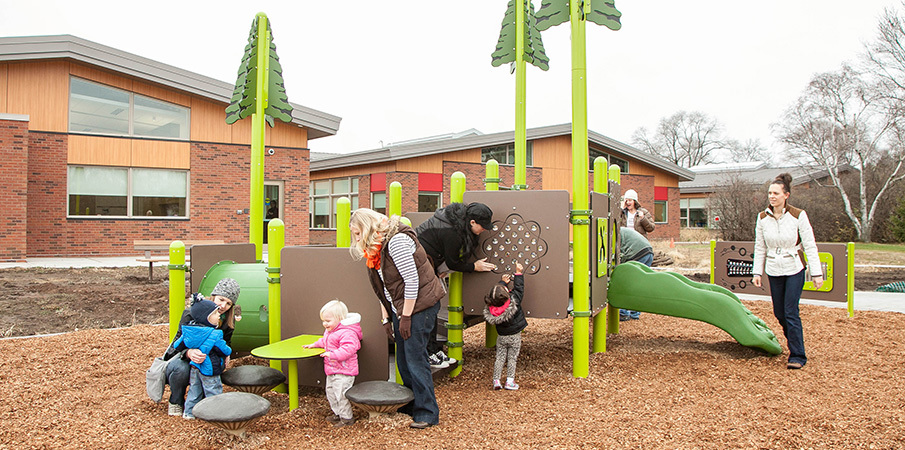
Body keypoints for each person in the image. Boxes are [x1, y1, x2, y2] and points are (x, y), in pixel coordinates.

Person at [349, 208, 446, 429]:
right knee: (402, 359)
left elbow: (411, 281)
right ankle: (412, 404)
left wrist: (406, 317)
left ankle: (428, 412)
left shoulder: (397, 242)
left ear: (369, 227)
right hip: (402, 307)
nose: (356, 238)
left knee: (415, 358)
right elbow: (383, 288)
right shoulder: (377, 250)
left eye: (357, 232)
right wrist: (387, 318)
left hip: (419, 306)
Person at [752, 173, 823, 370]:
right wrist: (757, 272)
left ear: (786, 195)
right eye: (769, 193)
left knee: (791, 311)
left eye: (776, 193)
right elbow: (760, 247)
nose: (772, 196)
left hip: (794, 268)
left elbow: (810, 245)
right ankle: (794, 339)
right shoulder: (762, 218)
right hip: (774, 269)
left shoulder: (798, 215)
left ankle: (798, 354)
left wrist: (817, 274)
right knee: (779, 313)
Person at [415, 202, 496, 369]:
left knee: (433, 307)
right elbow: (453, 263)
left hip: (428, 262)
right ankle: (428, 352)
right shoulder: (451, 233)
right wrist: (475, 267)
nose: (485, 230)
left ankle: (433, 349)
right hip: (418, 265)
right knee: (430, 308)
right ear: (472, 222)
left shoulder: (457, 222)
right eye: (483, 226)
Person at [163, 278, 241, 417]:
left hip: (208, 360)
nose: (223, 306)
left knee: (206, 376)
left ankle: (204, 403)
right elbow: (176, 346)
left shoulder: (226, 321)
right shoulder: (191, 314)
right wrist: (189, 353)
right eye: (221, 299)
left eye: (229, 303)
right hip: (184, 359)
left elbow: (226, 343)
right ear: (214, 296)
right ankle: (176, 401)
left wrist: (226, 354)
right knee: (181, 369)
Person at [303, 300, 362, 428]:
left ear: (340, 318)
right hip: (332, 370)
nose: (324, 324)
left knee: (341, 395)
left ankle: (347, 418)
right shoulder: (331, 331)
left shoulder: (348, 333)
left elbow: (349, 348)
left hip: (344, 371)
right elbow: (325, 341)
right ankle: (337, 413)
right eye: (323, 321)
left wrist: (332, 354)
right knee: (331, 392)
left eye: (327, 321)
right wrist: (314, 345)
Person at [170, 299, 232, 419]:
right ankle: (214, 415)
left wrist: (190, 347)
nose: (219, 314)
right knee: (213, 391)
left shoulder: (188, 330)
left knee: (194, 391)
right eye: (215, 313)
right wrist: (228, 352)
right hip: (209, 368)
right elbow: (225, 350)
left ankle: (188, 413)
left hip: (195, 367)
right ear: (206, 318)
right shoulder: (215, 334)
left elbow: (177, 345)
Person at [482, 262, 527, 391]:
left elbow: (496, 296)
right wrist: (518, 272)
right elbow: (519, 289)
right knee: (512, 358)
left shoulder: (492, 307)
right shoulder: (514, 301)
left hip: (501, 337)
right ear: (507, 294)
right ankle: (510, 381)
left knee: (500, 358)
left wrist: (502, 283)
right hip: (514, 336)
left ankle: (496, 381)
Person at [617, 227, 654, 321]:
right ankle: (635, 313)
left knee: (625, 283)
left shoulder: (613, 234)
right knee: (638, 285)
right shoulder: (620, 230)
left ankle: (623, 312)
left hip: (637, 253)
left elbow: (617, 254)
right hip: (648, 251)